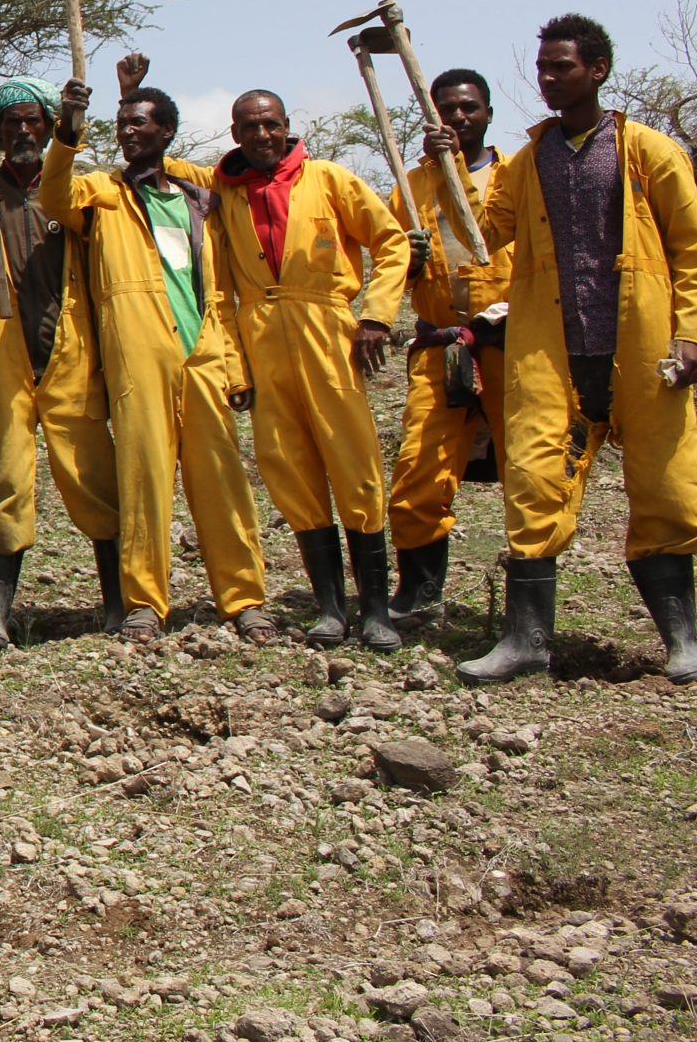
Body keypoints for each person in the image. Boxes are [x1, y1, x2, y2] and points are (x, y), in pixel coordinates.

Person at [449, 14, 697, 685]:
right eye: (542, 67)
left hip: (644, 348)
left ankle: (683, 639)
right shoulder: (530, 160)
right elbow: (486, 233)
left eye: (560, 66)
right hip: (550, 352)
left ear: (597, 70)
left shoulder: (648, 150)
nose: (547, 77)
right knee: (532, 481)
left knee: (667, 489)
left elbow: (694, 248)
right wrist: (447, 164)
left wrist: (693, 331)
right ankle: (527, 641)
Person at [152, 63, 410, 651]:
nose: (261, 135)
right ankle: (328, 608)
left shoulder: (331, 180)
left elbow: (391, 241)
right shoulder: (225, 192)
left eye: (270, 124)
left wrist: (376, 316)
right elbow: (161, 160)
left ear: (288, 126)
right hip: (262, 340)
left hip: (329, 333)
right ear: (235, 134)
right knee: (288, 468)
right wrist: (236, 368)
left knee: (355, 465)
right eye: (248, 127)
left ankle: (376, 611)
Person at [41, 78, 275, 644]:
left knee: (221, 482)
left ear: (166, 132)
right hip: (138, 359)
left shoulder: (197, 200)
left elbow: (215, 294)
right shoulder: (101, 194)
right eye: (122, 124)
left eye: (139, 122)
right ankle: (145, 604)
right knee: (143, 479)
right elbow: (54, 195)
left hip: (203, 357)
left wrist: (234, 365)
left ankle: (245, 601)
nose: (127, 132)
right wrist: (69, 130)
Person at [0, 78, 121, 649]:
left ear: (48, 128)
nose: (23, 132)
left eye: (33, 122)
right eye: (11, 123)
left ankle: (118, 603)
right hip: (4, 357)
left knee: (93, 476)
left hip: (71, 352)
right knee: (4, 478)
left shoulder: (77, 189)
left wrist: (75, 118)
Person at [384, 68, 511, 623]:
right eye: (446, 110)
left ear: (487, 113)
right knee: (418, 468)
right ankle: (418, 592)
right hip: (441, 345)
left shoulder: (516, 179)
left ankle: (528, 606)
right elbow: (399, 269)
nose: (459, 119)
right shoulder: (409, 188)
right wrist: (407, 262)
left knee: (533, 472)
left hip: (513, 343)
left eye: (469, 108)